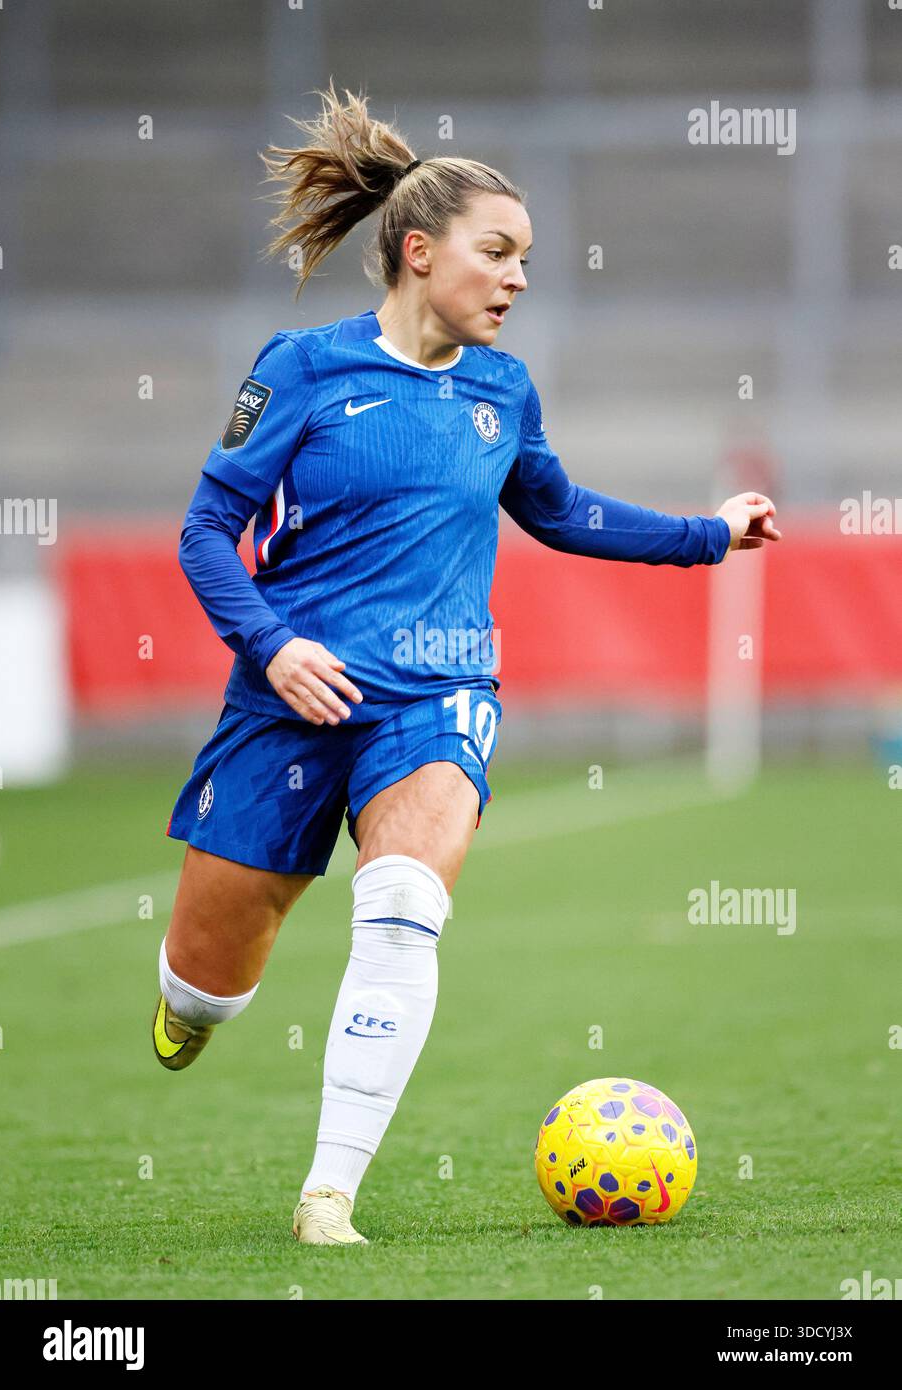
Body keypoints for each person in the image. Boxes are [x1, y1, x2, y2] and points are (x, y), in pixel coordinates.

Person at [154, 82, 781, 1246]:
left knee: (401, 909)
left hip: (439, 694)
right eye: (499, 253)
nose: (519, 278)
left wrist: (709, 535)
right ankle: (191, 1004)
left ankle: (328, 1194)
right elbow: (203, 533)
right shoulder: (299, 367)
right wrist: (276, 646)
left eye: (527, 257)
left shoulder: (503, 389)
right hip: (289, 698)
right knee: (207, 982)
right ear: (418, 250)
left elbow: (558, 509)